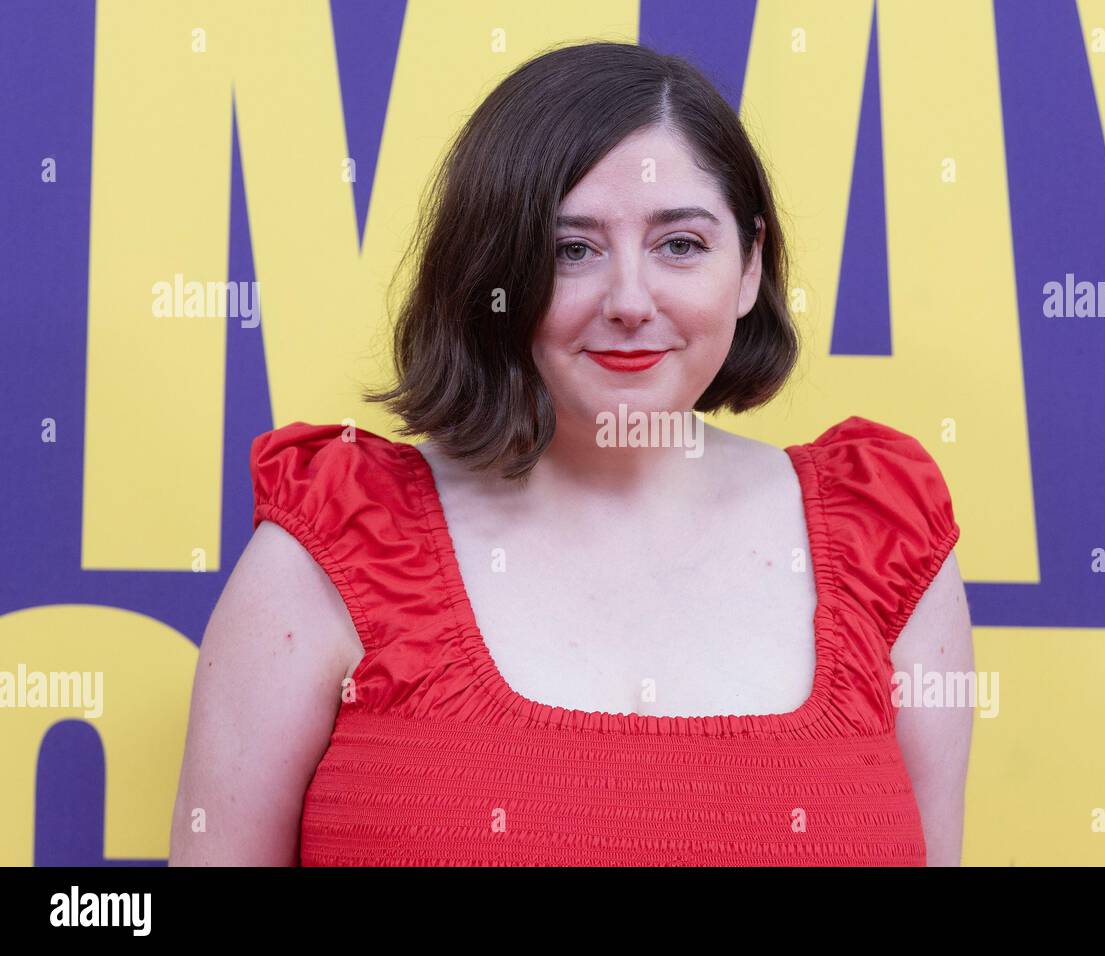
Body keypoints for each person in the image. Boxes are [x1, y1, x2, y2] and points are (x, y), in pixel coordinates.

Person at [169, 40, 973, 866]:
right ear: (495, 274)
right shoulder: (332, 550)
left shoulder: (884, 538)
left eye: (682, 245)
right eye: (571, 250)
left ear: (749, 266)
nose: (629, 300)